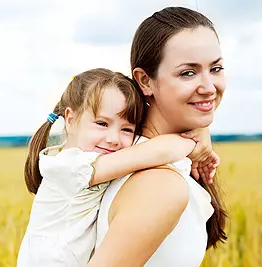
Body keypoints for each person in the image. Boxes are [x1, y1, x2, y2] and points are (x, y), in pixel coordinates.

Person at [17, 68, 219, 266]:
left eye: (126, 129)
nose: (113, 139)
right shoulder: (72, 166)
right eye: (102, 124)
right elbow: (157, 150)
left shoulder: (87, 160)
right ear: (70, 119)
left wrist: (201, 127)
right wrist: (196, 145)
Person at [90, 7, 228, 267]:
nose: (209, 87)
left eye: (216, 68)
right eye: (188, 72)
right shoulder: (161, 184)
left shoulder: (133, 157)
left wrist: (196, 137)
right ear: (144, 81)